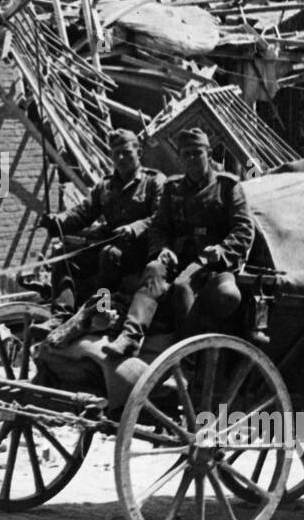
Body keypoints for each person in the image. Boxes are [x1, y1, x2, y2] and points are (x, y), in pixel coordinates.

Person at [102, 126, 255, 357]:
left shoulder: (228, 186)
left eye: (197, 152)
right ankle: (131, 336)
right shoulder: (172, 187)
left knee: (184, 287)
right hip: (178, 258)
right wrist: (162, 249)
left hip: (212, 264)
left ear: (209, 154)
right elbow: (159, 226)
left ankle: (187, 360)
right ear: (180, 158)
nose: (192, 158)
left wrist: (222, 250)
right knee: (153, 268)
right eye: (186, 154)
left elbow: (244, 229)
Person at [37, 130, 165, 310]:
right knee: (64, 256)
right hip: (110, 245)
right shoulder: (105, 186)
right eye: (115, 153)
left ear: (139, 152)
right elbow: (83, 213)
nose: (120, 158)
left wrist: (134, 228)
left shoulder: (154, 182)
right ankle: (61, 313)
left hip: (141, 251)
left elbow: (160, 218)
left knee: (109, 254)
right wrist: (58, 220)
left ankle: (101, 309)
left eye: (126, 152)